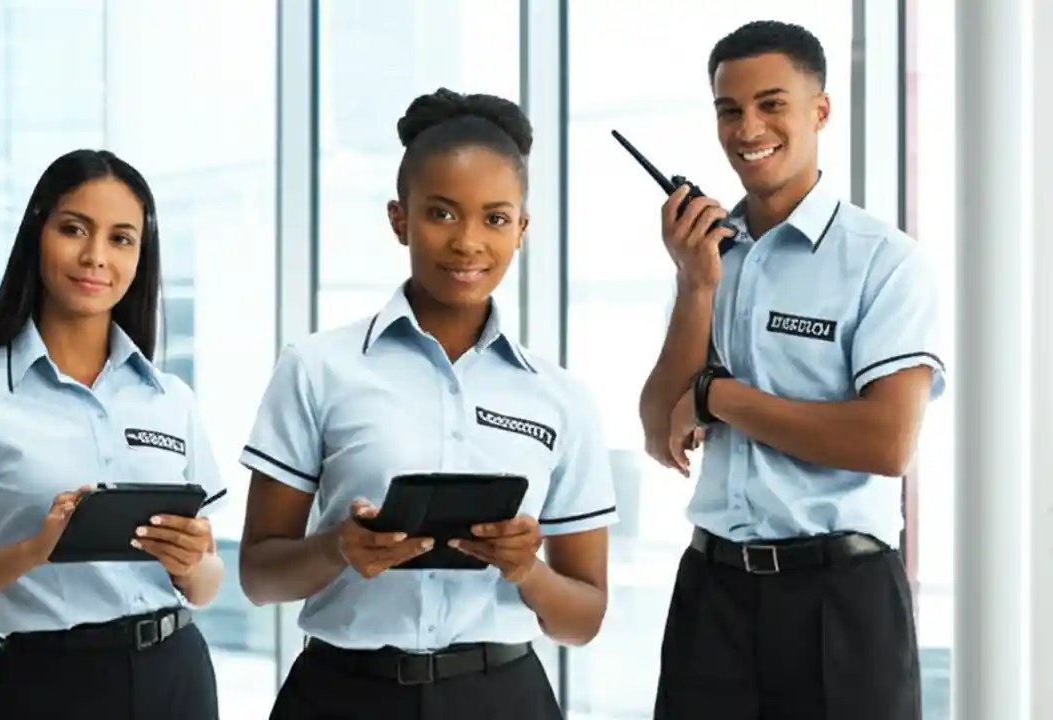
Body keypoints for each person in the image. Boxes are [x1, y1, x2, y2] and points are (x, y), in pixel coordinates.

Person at [238, 88, 618, 720]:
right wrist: (338, 548)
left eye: (495, 218)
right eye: (442, 214)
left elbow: (583, 619)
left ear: (522, 229)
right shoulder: (317, 367)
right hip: (342, 697)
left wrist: (529, 571)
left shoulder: (561, 399)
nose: (469, 242)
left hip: (504, 698)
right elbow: (257, 577)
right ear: (400, 219)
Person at [637, 20, 945, 720]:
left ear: (820, 111)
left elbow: (886, 443)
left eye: (771, 104)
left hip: (842, 599)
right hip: (712, 594)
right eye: (729, 109)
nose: (748, 128)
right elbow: (662, 435)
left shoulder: (883, 262)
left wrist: (723, 397)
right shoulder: (708, 260)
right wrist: (695, 286)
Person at [0, 149, 228, 720]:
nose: (96, 257)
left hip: (177, 675)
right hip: (49, 684)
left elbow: (206, 585)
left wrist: (190, 562)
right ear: (38, 231)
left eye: (121, 239)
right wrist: (33, 551)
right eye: (75, 229)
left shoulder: (170, 397)